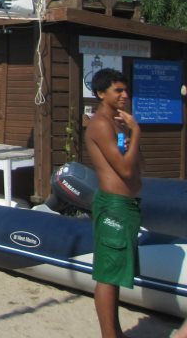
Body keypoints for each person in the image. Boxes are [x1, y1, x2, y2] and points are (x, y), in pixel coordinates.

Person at [84, 67, 141, 338]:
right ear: (100, 93)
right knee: (108, 274)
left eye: (126, 90)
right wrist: (137, 132)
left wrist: (129, 136)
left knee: (115, 272)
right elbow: (125, 170)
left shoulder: (116, 122)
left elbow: (131, 161)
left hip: (125, 206)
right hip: (114, 206)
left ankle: (115, 332)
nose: (124, 95)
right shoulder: (101, 124)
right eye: (118, 90)